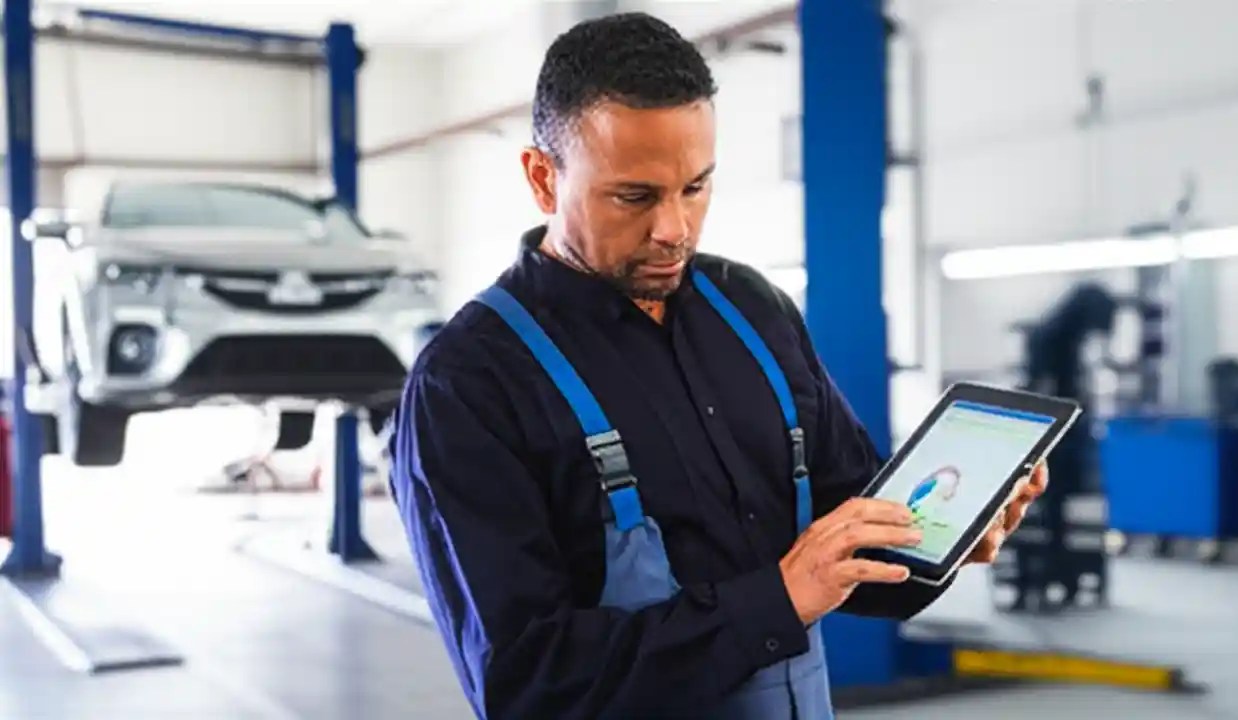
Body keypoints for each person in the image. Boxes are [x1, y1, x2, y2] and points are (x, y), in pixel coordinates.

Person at [388, 12, 1048, 720]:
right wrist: (778, 599)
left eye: (696, 187)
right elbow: (526, 682)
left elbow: (849, 531)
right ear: (543, 179)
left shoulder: (752, 311)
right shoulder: (468, 385)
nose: (674, 229)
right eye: (634, 196)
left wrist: (942, 546)